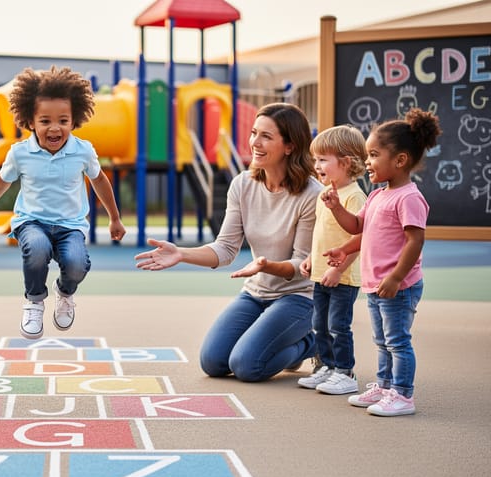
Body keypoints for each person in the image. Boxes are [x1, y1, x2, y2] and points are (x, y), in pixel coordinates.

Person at [135, 103, 320, 382]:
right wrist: (181, 253)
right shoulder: (242, 184)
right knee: (213, 362)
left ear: (290, 146)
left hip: (299, 297)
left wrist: (265, 265)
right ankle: (284, 344)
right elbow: (225, 249)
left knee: (247, 365)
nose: (254, 142)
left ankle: (311, 343)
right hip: (256, 293)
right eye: (254, 133)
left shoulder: (311, 195)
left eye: (266, 136)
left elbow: (301, 266)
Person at [0, 66, 126, 339]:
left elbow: (100, 181)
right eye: (45, 121)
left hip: (70, 226)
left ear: (74, 120)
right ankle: (34, 301)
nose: (54, 128)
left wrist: (114, 218)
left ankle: (65, 292)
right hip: (32, 222)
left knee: (76, 265)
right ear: (30, 121)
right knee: (36, 249)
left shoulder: (83, 150)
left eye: (63, 120)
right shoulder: (20, 153)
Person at [322, 108, 441, 417]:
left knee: (397, 341)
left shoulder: (408, 198)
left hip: (398, 286)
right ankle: (385, 386)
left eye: (373, 155)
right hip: (377, 284)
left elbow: (415, 241)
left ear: (400, 160)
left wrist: (397, 277)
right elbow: (359, 228)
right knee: (382, 341)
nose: (367, 162)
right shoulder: (377, 195)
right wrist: (339, 223)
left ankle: (402, 394)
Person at [297, 125, 368, 394]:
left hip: (343, 277)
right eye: (315, 159)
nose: (317, 165)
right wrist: (310, 258)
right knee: (319, 324)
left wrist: (339, 270)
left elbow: (358, 238)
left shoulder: (354, 196)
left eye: (323, 159)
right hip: (321, 274)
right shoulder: (323, 193)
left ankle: (345, 372)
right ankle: (326, 366)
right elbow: (322, 233)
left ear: (346, 163)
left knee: (338, 325)